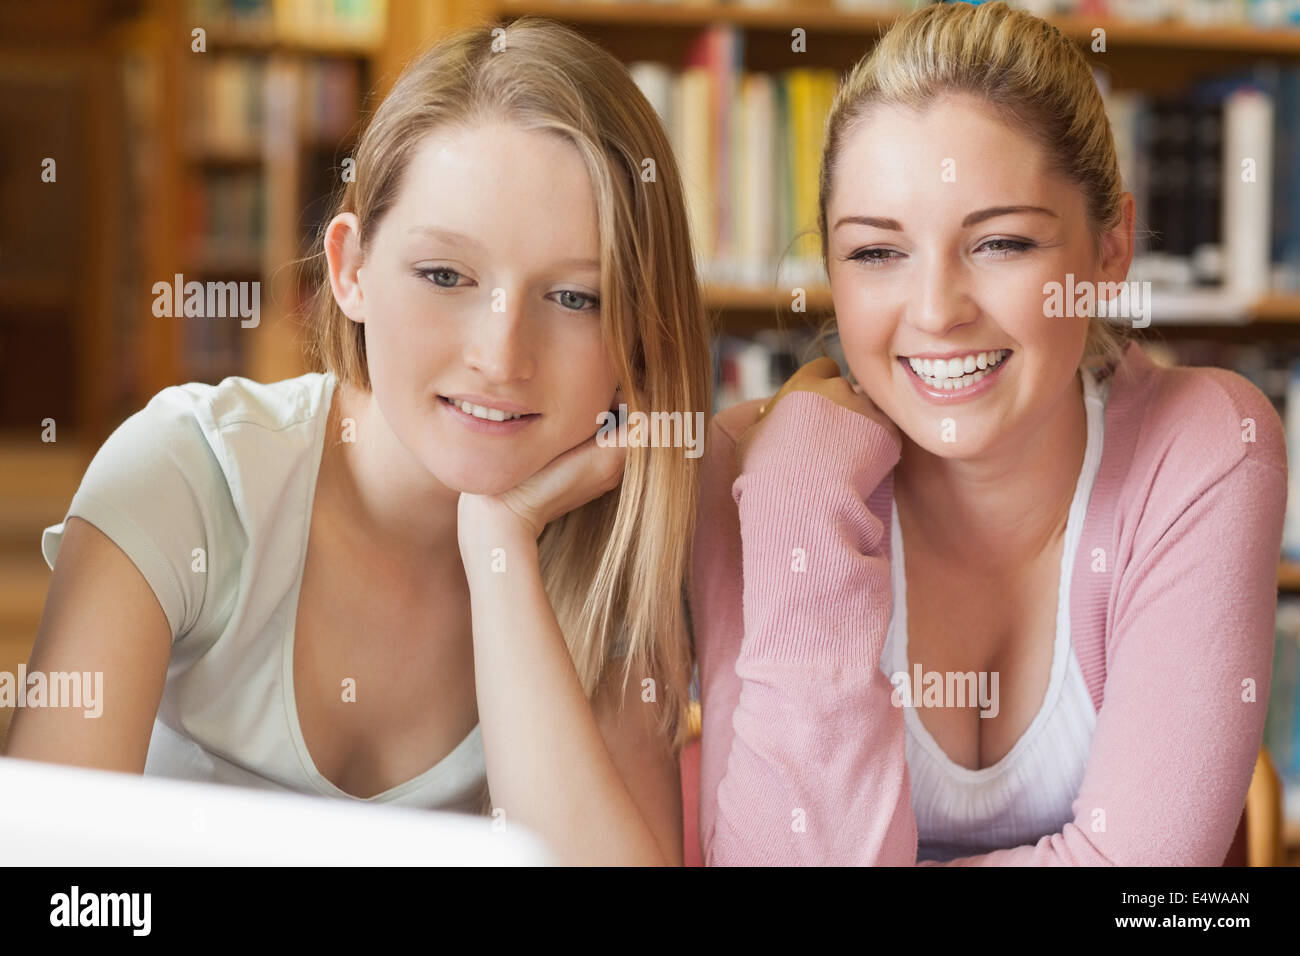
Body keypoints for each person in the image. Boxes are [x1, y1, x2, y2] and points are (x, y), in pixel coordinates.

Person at [6, 16, 711, 867]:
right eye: (445, 275)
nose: (499, 356)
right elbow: (51, 884)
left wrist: (499, 547)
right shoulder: (187, 475)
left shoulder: (611, 555)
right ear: (349, 270)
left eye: (575, 299)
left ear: (640, 330)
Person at [692, 0, 1286, 865]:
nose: (936, 312)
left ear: (1110, 247)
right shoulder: (755, 472)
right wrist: (800, 492)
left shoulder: (1205, 446)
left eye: (1001, 244)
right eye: (877, 253)